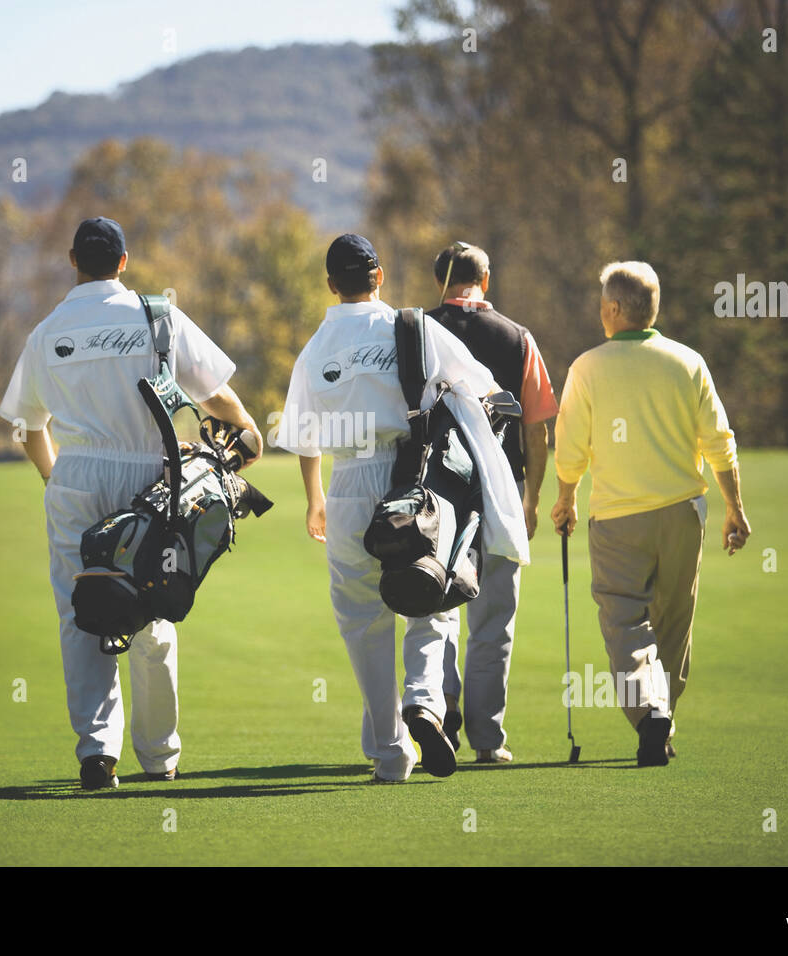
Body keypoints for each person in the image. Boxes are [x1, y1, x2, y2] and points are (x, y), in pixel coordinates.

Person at [0, 217, 262, 790]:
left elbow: (26, 426)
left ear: (74, 259)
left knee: (79, 611)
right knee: (155, 604)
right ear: (123, 260)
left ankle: (97, 753)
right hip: (151, 476)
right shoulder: (154, 314)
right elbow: (211, 390)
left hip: (75, 474)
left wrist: (54, 478)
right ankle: (159, 756)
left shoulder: (47, 331)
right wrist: (244, 426)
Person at [274, 233, 522, 783]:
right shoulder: (411, 327)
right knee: (430, 597)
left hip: (346, 485)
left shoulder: (315, 347)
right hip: (412, 478)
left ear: (331, 284)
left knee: (362, 620)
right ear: (379, 276)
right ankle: (424, 702)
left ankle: (390, 752)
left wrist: (316, 500)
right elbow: (481, 388)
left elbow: (303, 437)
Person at [551, 261, 752, 767]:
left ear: (615, 309)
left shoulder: (587, 367)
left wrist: (566, 497)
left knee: (624, 621)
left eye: (603, 304)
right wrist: (735, 509)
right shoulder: (688, 362)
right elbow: (719, 444)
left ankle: (651, 713)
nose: (600, 312)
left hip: (618, 518)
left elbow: (570, 447)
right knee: (673, 625)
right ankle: (662, 721)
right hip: (684, 513)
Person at [426, 242, 558, 764]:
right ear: (487, 278)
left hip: (435, 494)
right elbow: (537, 426)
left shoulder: (419, 331)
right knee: (493, 620)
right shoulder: (517, 337)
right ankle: (487, 739)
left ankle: (443, 707)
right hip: (498, 494)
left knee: (437, 609)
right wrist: (532, 498)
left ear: (441, 279)